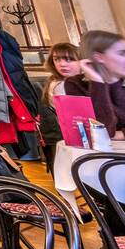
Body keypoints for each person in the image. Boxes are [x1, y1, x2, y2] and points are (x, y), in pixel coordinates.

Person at [38, 42, 81, 170]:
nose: (62, 64)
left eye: (69, 59)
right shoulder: (60, 85)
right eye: (56, 59)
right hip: (64, 140)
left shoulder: (73, 83)